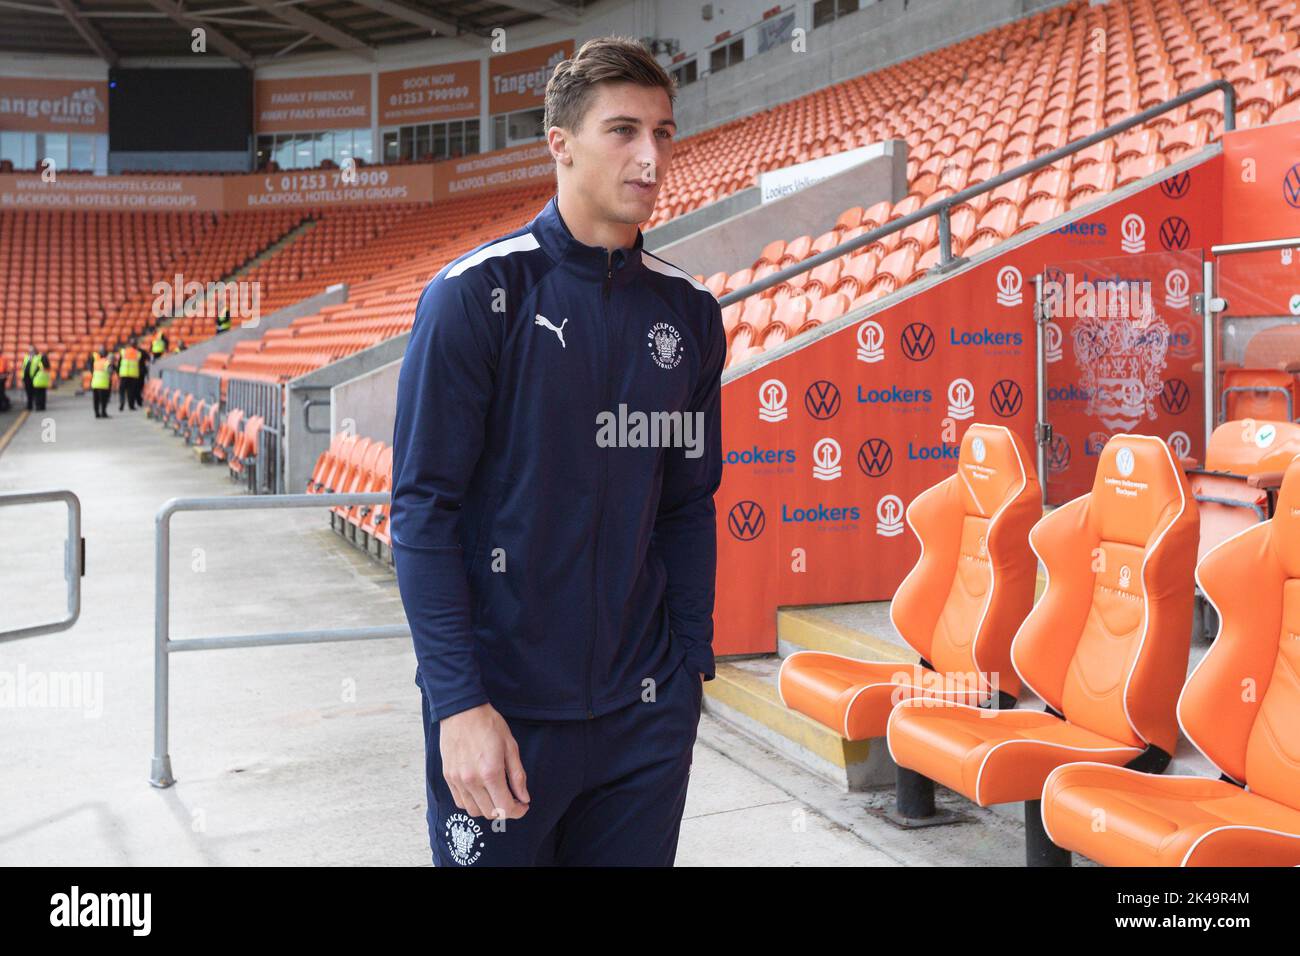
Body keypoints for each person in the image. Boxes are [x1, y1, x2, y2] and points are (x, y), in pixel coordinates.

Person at [391, 36, 725, 868]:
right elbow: (424, 514)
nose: (651, 156)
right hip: (502, 720)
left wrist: (687, 668)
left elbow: (686, 504)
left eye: (664, 132)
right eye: (623, 131)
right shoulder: (474, 298)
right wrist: (459, 704)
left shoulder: (688, 316)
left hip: (644, 718)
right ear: (560, 144)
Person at [117, 340, 144, 411]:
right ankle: (131, 406)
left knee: (122, 390)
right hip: (133, 375)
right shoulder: (138, 353)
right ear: (135, 345)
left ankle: (122, 403)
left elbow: (119, 363)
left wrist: (118, 373)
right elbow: (141, 365)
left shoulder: (124, 352)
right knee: (131, 391)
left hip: (124, 374)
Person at [22, 345, 49, 411]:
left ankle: (39, 406)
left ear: (35, 350)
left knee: (38, 393)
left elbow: (45, 366)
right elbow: (24, 367)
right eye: (30, 351)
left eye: (32, 350)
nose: (31, 352)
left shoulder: (40, 357)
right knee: (29, 393)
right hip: (27, 377)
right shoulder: (26, 357)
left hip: (36, 377)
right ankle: (29, 406)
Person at [89, 348, 113, 418]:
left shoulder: (96, 362)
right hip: (103, 384)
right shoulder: (106, 362)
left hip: (95, 384)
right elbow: (110, 372)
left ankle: (97, 414)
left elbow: (91, 369)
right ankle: (103, 413)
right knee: (103, 400)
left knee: (96, 400)